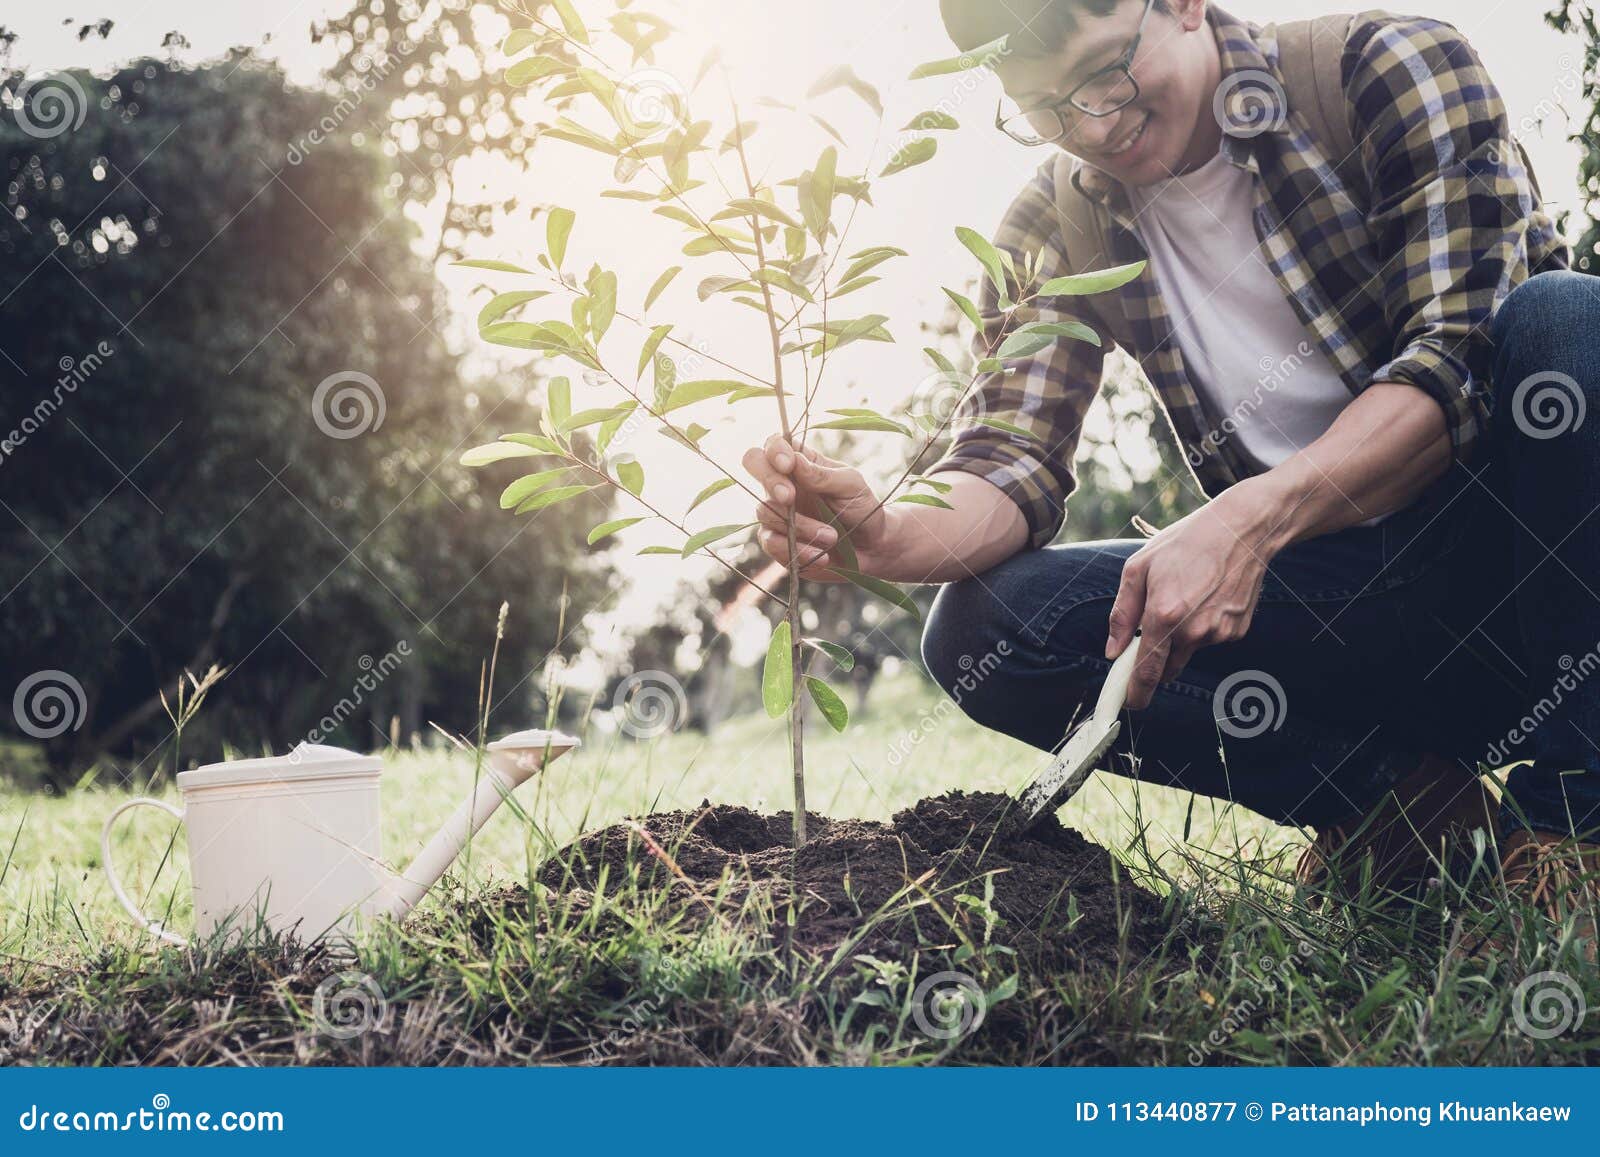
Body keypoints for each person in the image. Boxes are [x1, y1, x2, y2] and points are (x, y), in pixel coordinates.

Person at [744, 0, 1600, 929]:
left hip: (1532, 577)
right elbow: (1008, 461)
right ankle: (1410, 817)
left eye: (1106, 76)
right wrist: (884, 534)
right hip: (1350, 609)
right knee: (984, 626)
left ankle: (1576, 832)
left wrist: (1246, 519)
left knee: (1568, 319)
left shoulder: (1386, 70)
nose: (1091, 128)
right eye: (1043, 110)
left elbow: (1457, 368)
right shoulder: (1053, 224)